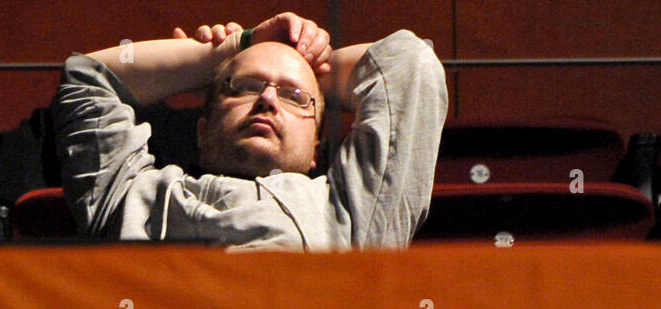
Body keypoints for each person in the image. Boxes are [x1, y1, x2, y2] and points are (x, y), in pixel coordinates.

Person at [52, 12, 447, 249]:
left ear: (315, 148)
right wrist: (228, 51)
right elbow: (88, 76)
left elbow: (410, 64)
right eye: (245, 88)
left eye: (294, 99)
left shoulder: (352, 214)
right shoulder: (133, 197)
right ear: (202, 130)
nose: (268, 101)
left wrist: (301, 65)